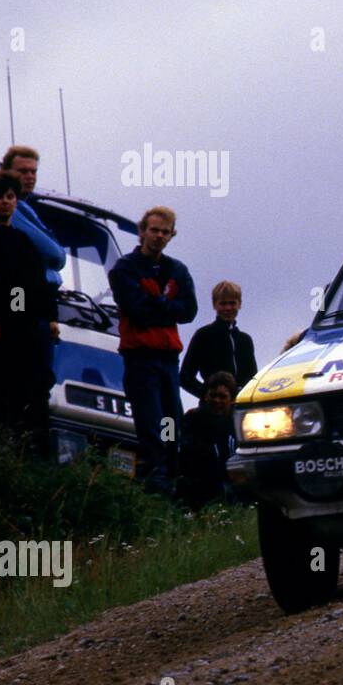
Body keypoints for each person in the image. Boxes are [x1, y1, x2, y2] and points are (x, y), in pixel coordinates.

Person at [110, 206, 198, 491]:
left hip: (168, 359)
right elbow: (136, 310)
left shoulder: (177, 269)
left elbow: (189, 311)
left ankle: (172, 482)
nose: (159, 236)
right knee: (150, 425)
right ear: (142, 231)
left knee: (171, 423)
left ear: (172, 235)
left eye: (165, 231)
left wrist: (157, 304)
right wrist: (167, 308)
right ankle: (154, 486)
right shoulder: (125, 268)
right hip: (140, 359)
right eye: (154, 230)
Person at [0, 170, 57, 450]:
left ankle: (23, 447)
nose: (6, 202)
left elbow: (38, 282)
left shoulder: (22, 240)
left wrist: (50, 317)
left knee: (27, 383)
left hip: (22, 321)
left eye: (10, 197)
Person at [0, 146, 65, 385]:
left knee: (40, 376)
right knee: (24, 371)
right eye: (23, 171)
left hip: (40, 300)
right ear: (5, 171)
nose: (30, 177)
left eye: (33, 172)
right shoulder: (10, 208)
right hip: (19, 297)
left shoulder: (29, 209)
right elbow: (54, 253)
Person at [180, 280, 257, 399]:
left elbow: (253, 377)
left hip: (241, 405)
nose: (227, 308)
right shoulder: (203, 335)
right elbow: (185, 377)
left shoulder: (245, 340)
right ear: (214, 305)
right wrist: (207, 395)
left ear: (239, 304)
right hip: (212, 408)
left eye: (232, 303)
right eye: (223, 303)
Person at [177, 371, 238, 506]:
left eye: (222, 397)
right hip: (200, 481)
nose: (216, 400)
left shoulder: (239, 422)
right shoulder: (191, 417)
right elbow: (173, 441)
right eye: (213, 395)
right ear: (205, 396)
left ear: (232, 399)